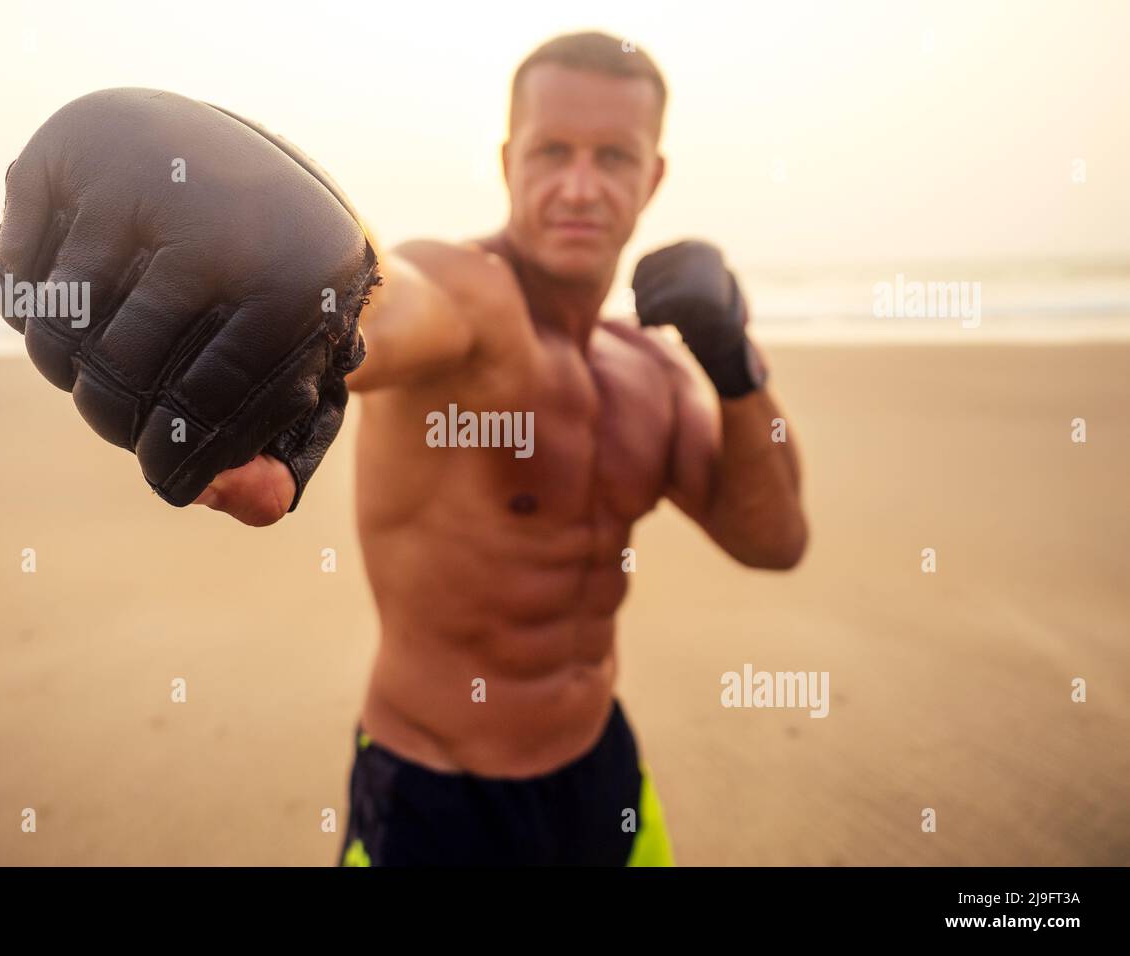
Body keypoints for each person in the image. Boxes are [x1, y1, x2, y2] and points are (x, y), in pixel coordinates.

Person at [193, 32, 809, 865]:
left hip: (600, 775)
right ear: (508, 160)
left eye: (614, 157)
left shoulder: (654, 374)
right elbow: (381, 303)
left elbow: (774, 539)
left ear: (653, 176)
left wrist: (735, 363)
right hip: (433, 802)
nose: (580, 187)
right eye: (552, 151)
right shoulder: (466, 295)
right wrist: (280, 293)